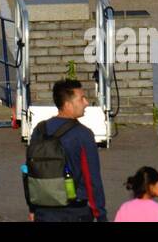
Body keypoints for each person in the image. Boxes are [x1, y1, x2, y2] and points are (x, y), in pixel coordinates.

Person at [25, 80, 106, 222]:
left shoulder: (40, 129)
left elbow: (30, 170)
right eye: (81, 98)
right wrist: (100, 214)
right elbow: (92, 179)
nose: (86, 103)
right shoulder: (83, 134)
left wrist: (32, 208)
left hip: (43, 210)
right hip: (75, 211)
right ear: (68, 105)